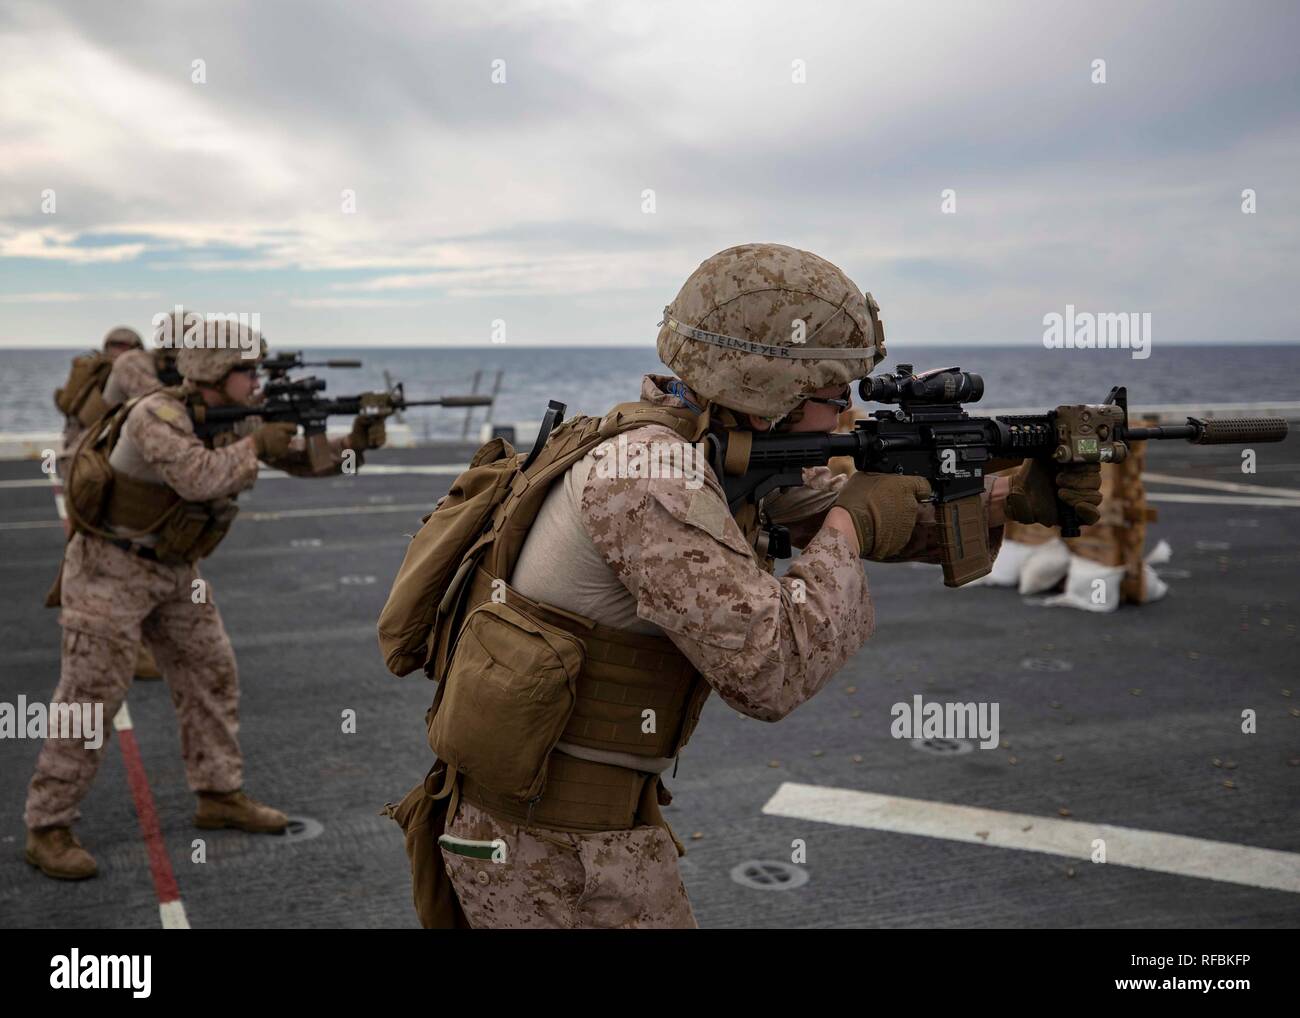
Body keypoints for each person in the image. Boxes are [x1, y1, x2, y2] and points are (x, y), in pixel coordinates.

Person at [422, 243, 1100, 928]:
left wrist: (1004, 498)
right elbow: (770, 668)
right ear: (765, 392)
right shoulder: (652, 476)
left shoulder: (700, 446)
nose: (844, 418)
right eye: (833, 396)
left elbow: (845, 502)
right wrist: (849, 526)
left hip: (569, 833)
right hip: (553, 854)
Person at [24, 320, 388, 880]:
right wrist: (255, 443)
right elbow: (200, 477)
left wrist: (355, 442)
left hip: (175, 571)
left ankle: (219, 794)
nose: (256, 380)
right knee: (90, 696)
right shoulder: (155, 414)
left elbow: (300, 459)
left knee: (210, 673)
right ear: (216, 372)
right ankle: (47, 826)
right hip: (109, 568)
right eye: (247, 370)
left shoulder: (238, 415)